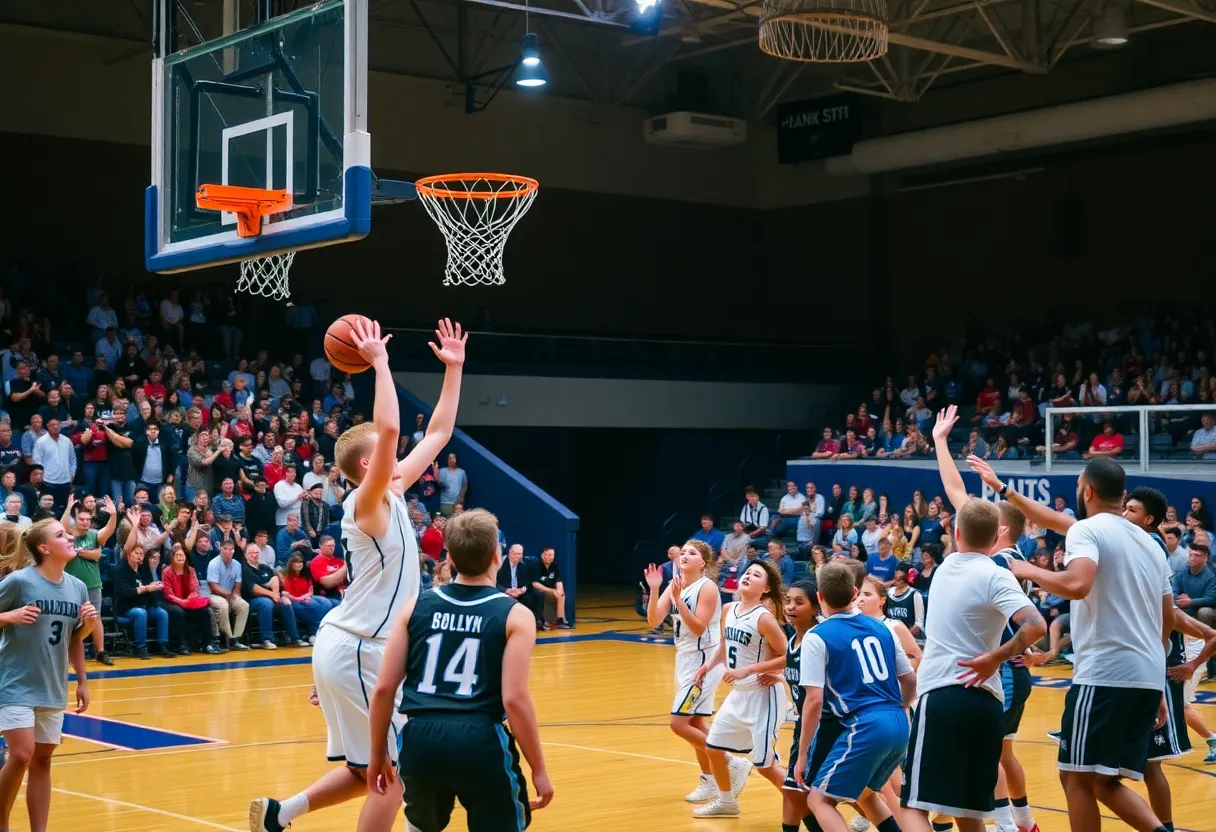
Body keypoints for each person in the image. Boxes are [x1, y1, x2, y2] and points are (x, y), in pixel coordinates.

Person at [251, 318, 466, 832]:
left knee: (363, 769)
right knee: (392, 775)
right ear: (371, 462)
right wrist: (380, 362)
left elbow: (437, 432)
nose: (396, 449)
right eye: (385, 448)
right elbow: (390, 428)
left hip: (354, 646)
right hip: (361, 647)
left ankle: (281, 815)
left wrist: (454, 369)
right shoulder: (365, 502)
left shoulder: (392, 489)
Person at [972, 454, 1174, 832]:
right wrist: (1002, 488)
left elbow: (1078, 584)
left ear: (1088, 491)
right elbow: (1167, 619)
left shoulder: (1089, 531)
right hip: (1146, 676)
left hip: (1106, 674)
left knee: (1075, 777)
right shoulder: (1149, 544)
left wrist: (1027, 568)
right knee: (1102, 781)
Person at [366, 509, 554, 831]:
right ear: (497, 554)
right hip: (479, 739)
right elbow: (515, 699)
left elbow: (383, 689)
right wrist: (538, 768)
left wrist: (376, 754)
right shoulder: (516, 614)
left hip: (420, 739)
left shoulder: (415, 606)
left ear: (449, 557)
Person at [898, 477, 1044, 830]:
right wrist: (996, 657)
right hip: (987, 702)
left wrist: (941, 441)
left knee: (913, 808)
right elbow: (1036, 625)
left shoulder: (947, 566)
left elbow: (958, 496)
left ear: (956, 536)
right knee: (971, 814)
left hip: (942, 695)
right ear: (996, 540)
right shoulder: (998, 575)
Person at [933, 406, 1043, 832]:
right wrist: (941, 442)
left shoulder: (1006, 562)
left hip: (1000, 668)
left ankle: (1000, 824)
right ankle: (1024, 822)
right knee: (1002, 753)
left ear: (999, 530)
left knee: (990, 755)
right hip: (1006, 662)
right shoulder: (995, 555)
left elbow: (1029, 620)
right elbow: (955, 489)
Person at [794, 562, 917, 832]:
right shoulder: (884, 628)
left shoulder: (817, 636)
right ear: (854, 593)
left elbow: (814, 700)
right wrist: (901, 708)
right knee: (865, 793)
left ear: (819, 597)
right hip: (898, 721)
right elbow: (909, 679)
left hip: (864, 723)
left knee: (818, 799)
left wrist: (802, 754)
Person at [1121, 487, 1216, 827]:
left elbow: (1211, 635)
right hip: (1137, 675)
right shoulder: (1153, 596)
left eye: (1130, 509)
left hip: (1161, 677)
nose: (1123, 514)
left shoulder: (1154, 553)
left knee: (1152, 765)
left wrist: (1190, 667)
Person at [0, 518, 96, 832]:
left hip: (53, 684)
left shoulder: (77, 587)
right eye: (60, 534)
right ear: (44, 548)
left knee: (42, 761)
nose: (69, 537)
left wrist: (82, 679)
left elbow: (73, 638)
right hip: (15, 682)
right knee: (22, 754)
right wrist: (9, 615)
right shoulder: (19, 581)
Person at [644, 540, 749, 808]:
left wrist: (678, 599)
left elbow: (700, 627)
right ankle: (710, 780)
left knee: (678, 724)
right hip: (684, 658)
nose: (684, 555)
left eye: (692, 552)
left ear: (703, 562)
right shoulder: (675, 583)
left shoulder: (708, 587)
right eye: (683, 552)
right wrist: (656, 589)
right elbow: (654, 621)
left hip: (704, 662)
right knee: (696, 726)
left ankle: (732, 761)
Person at [694, 560, 790, 817]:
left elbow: (790, 656)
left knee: (765, 765)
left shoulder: (764, 618)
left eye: (756, 575)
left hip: (763, 696)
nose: (748, 576)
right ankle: (727, 802)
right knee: (713, 747)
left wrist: (752, 670)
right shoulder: (728, 608)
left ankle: (807, 808)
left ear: (766, 588)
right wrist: (708, 666)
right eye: (747, 572)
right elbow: (725, 644)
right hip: (739, 695)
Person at [780, 578, 821, 832]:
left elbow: (817, 695)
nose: (790, 607)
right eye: (788, 601)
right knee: (793, 791)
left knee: (862, 797)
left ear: (816, 607)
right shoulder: (793, 640)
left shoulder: (816, 640)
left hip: (822, 725)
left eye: (799, 602)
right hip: (803, 725)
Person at [532, 545, 571, 630]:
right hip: (540, 591)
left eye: (552, 555)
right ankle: (542, 621)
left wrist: (559, 591)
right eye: (548, 555)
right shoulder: (537, 565)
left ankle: (560, 621)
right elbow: (534, 583)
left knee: (561, 595)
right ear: (542, 555)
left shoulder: (554, 566)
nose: (550, 557)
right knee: (539, 594)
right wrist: (551, 590)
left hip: (550, 592)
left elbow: (558, 581)